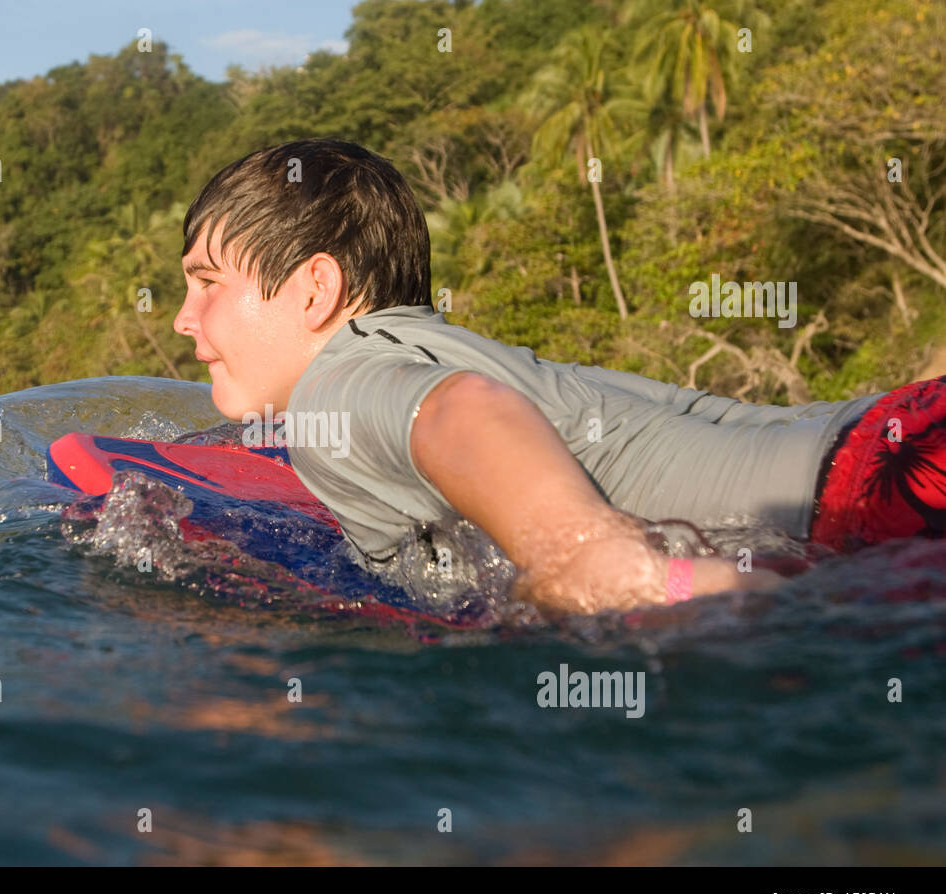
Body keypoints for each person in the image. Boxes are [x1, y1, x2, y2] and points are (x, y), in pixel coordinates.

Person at [171, 138, 946, 615]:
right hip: (897, 438)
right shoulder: (441, 349)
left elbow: (460, 413)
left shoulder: (332, 391)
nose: (182, 318)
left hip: (882, 496)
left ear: (315, 289)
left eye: (207, 283)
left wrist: (584, 555)